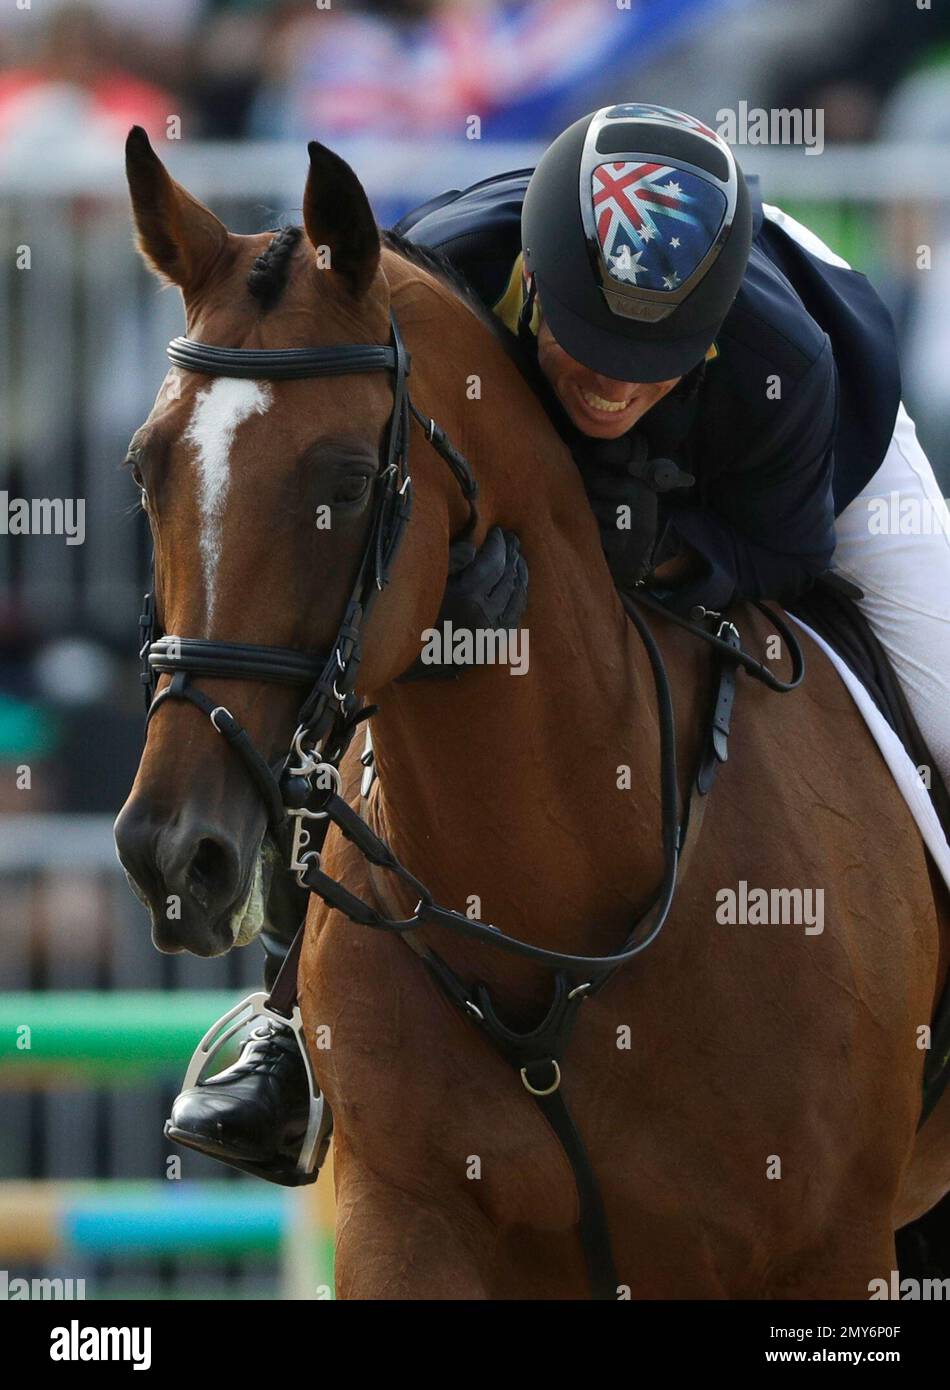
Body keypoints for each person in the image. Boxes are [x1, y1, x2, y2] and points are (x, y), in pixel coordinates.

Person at [169, 104, 950, 1180]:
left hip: (823, 486)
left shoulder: (781, 362)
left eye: (651, 357)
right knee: (346, 666)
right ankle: (284, 1024)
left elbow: (778, 552)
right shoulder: (436, 287)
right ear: (533, 277)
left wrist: (594, 563)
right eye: (587, 336)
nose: (614, 383)